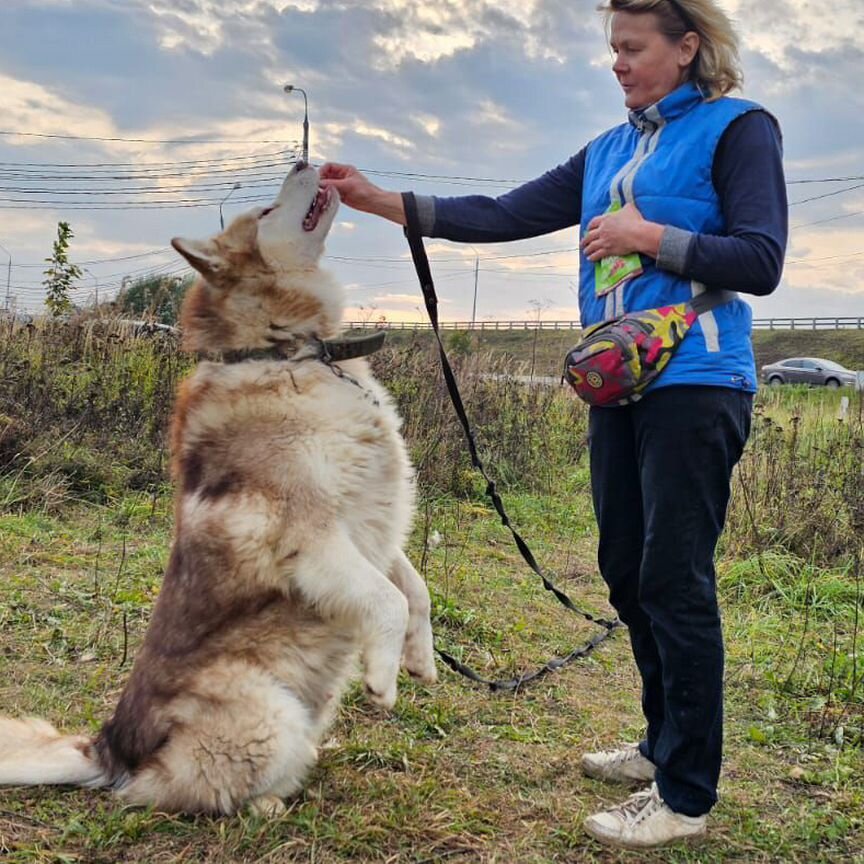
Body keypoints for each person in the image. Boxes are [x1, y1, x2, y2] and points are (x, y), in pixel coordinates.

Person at [320, 0, 787, 850]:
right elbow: (501, 213)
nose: (616, 63)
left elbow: (761, 258)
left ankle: (686, 795)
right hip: (619, 388)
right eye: (612, 47)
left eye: (633, 47)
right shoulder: (606, 150)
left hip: (698, 380)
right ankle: (660, 745)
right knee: (623, 568)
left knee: (674, 580)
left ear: (687, 47)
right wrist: (379, 200)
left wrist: (652, 235)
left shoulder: (739, 128)